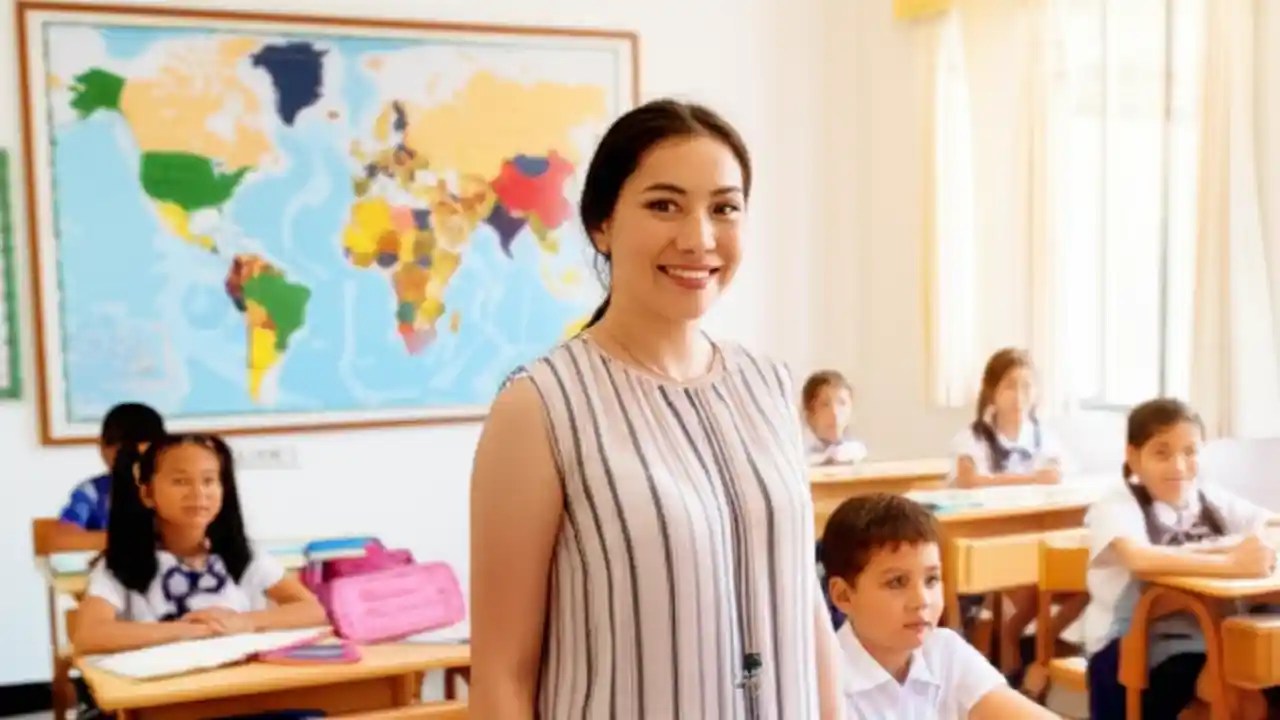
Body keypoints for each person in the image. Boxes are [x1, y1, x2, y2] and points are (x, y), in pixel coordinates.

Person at [469, 98, 844, 719]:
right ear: (602, 225)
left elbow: (803, 609)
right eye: (664, 205)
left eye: (724, 208)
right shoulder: (540, 406)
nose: (699, 238)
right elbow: (501, 677)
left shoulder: (770, 386)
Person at [1084, 398, 1277, 719]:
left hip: (1212, 632)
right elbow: (1139, 559)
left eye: (1190, 452)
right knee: (1239, 697)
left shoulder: (1208, 497)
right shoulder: (1117, 504)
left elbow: (1269, 524)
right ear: (1133, 457)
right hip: (1135, 643)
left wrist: (1254, 547)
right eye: (1162, 453)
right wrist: (1230, 562)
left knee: (1259, 679)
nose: (1179, 466)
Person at [73, 434, 325, 655]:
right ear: (148, 493)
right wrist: (189, 630)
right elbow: (89, 635)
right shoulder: (122, 562)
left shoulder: (241, 555)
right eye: (181, 481)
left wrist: (243, 623)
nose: (198, 493)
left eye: (208, 481)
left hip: (241, 683)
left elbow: (314, 610)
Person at [821, 493, 1056, 718]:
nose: (922, 600)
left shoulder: (943, 650)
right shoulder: (822, 684)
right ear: (843, 596)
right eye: (897, 582)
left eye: (932, 580)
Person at [948, 348, 1080, 677]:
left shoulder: (1044, 437)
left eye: (1026, 386)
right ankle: (1004, 646)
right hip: (988, 533)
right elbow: (969, 480)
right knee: (1017, 572)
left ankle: (1027, 641)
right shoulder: (974, 437)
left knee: (1080, 576)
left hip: (1037, 531)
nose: (1019, 396)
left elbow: (1061, 474)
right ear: (991, 391)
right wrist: (1032, 478)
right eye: (1009, 386)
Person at [59, 402, 165, 531]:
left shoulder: (170, 488)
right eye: (123, 454)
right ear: (102, 446)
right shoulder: (91, 492)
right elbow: (65, 534)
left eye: (139, 456)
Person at [802, 370, 868, 466]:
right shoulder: (798, 454)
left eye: (842, 403)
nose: (835, 413)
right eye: (825, 405)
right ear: (809, 415)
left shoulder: (855, 452)